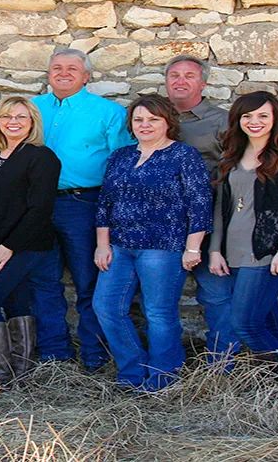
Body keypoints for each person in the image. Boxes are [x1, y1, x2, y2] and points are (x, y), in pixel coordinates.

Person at [93, 95, 213, 391]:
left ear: (167, 122)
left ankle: (163, 378)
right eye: (139, 120)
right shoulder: (121, 156)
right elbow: (105, 202)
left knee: (158, 313)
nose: (145, 125)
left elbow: (199, 203)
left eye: (153, 119)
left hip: (163, 247)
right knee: (106, 306)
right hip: (119, 246)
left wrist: (193, 247)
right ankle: (132, 371)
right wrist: (102, 244)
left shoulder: (183, 155)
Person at [32, 49, 132, 371]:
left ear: (86, 76)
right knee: (44, 281)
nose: (63, 73)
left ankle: (94, 355)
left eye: (72, 68)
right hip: (36, 205)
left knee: (88, 281)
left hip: (83, 204)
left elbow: (122, 163)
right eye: (57, 67)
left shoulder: (108, 112)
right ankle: (54, 353)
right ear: (48, 74)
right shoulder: (32, 108)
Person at [206, 92, 278, 370]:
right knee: (266, 320)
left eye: (263, 115)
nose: (255, 121)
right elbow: (220, 207)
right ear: (238, 120)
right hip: (234, 251)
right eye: (247, 116)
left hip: (268, 251)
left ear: (275, 118)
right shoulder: (231, 155)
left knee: (245, 323)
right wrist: (215, 249)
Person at [0, 96, 61, 386]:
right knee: (16, 302)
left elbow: (40, 209)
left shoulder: (41, 157)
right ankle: (20, 375)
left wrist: (8, 247)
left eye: (21, 117)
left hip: (23, 246)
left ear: (32, 122)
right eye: (6, 116)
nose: (13, 122)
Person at [164, 55, 239, 362]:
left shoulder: (222, 121)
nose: (180, 81)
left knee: (216, 294)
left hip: (207, 221)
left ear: (203, 83)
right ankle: (166, 363)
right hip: (161, 224)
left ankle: (223, 363)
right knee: (159, 298)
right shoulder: (154, 116)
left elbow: (235, 172)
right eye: (174, 75)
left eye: (189, 76)